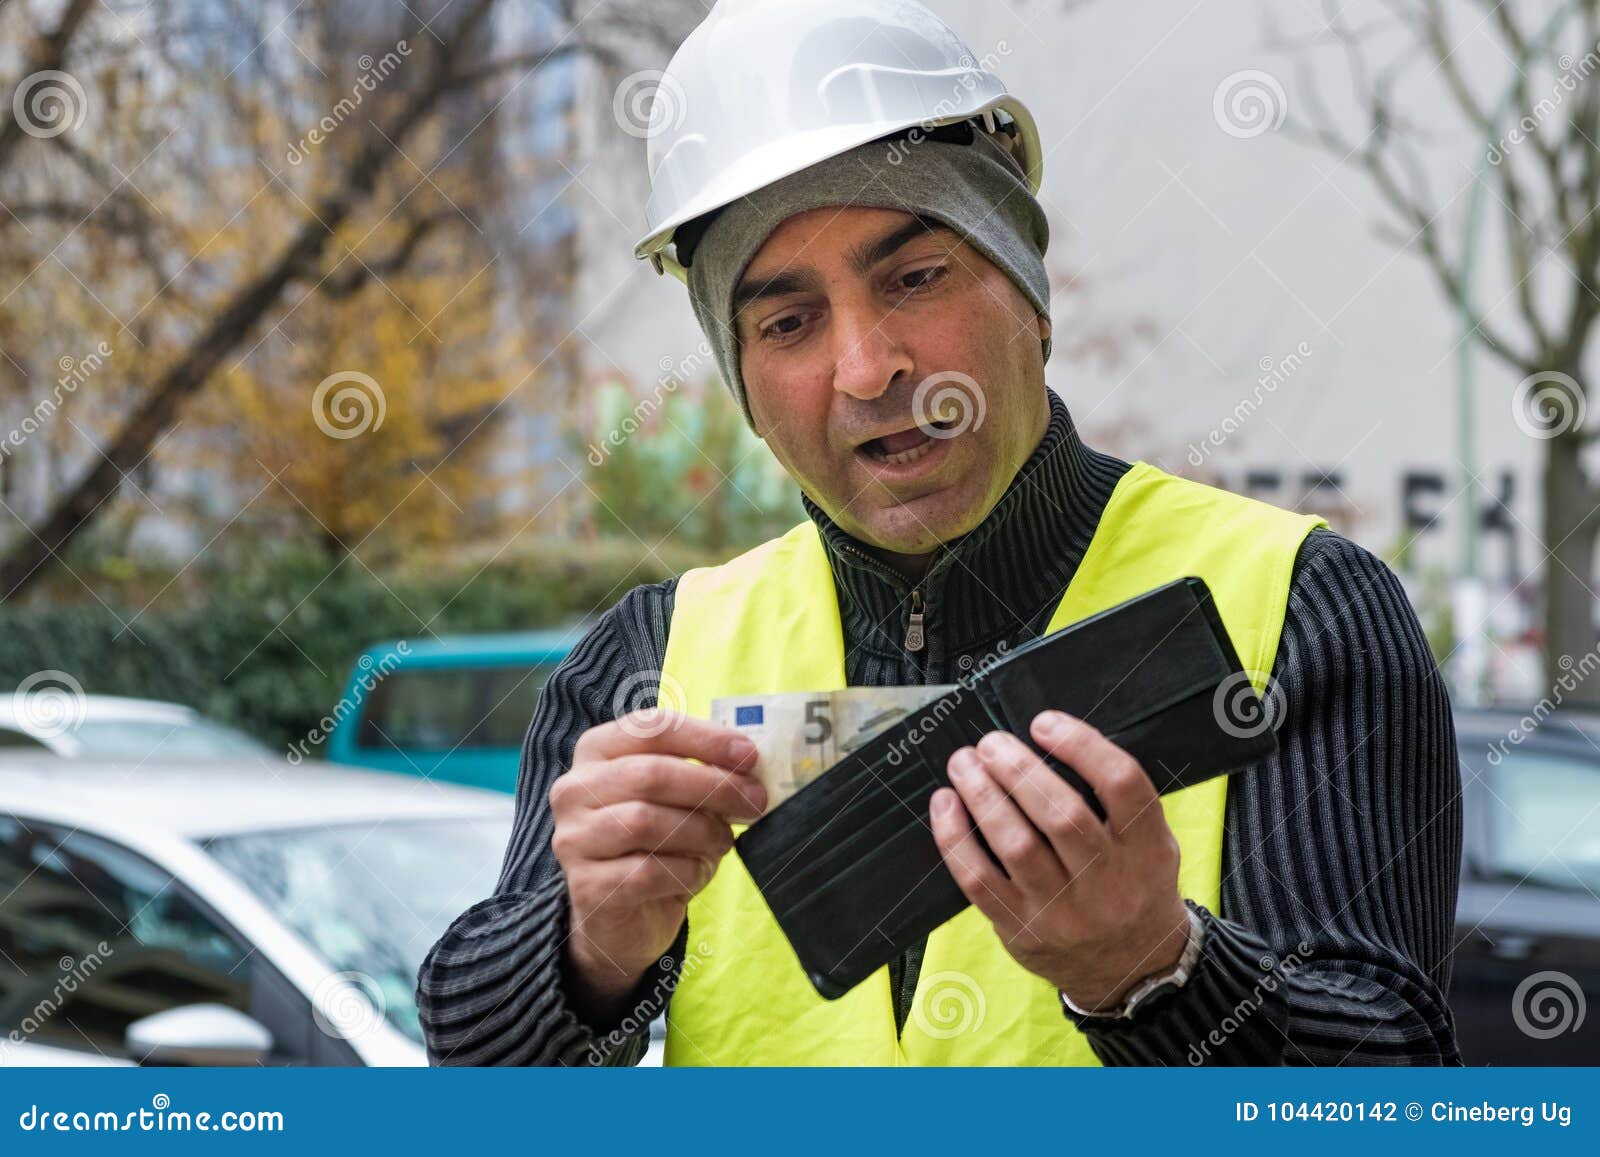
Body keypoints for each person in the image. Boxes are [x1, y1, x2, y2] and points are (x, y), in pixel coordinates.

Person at [418, 0, 1460, 1066]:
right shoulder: (648, 660)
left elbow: (1392, 1089)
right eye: (788, 322)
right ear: (745, 387)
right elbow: (472, 1070)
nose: (868, 368)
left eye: (914, 278)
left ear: (1031, 295)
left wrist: (1155, 971)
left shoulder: (1294, 609)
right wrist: (586, 948)